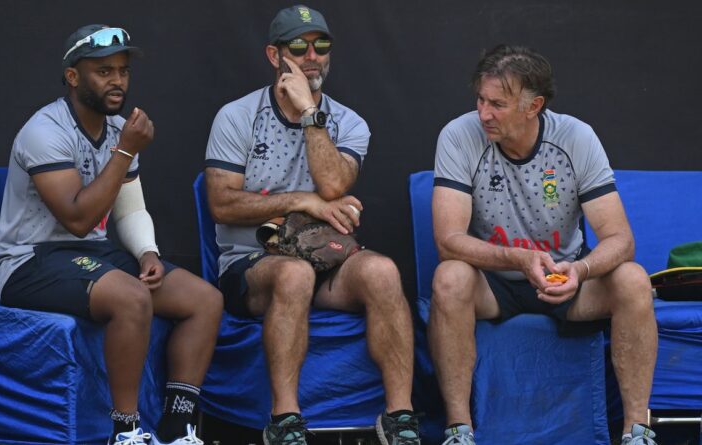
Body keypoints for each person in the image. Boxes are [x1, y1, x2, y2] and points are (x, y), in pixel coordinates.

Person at [0, 24, 222, 445]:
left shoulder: (118, 129)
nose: (117, 80)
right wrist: (126, 150)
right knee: (131, 298)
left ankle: (177, 427)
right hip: (30, 261)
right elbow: (78, 219)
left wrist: (148, 252)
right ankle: (126, 430)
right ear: (73, 76)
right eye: (103, 71)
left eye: (122, 70)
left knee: (204, 300)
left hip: (90, 254)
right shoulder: (45, 131)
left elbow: (129, 208)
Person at [203, 5, 421, 445]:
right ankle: (284, 419)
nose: (312, 56)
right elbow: (221, 204)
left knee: (383, 271)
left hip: (326, 258)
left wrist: (309, 112)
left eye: (321, 46)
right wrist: (303, 201)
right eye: (298, 47)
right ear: (274, 55)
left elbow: (334, 183)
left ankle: (400, 417)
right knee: (294, 274)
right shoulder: (237, 116)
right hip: (252, 262)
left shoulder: (349, 122)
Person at [429, 44, 658, 445]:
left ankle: (637, 431)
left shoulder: (576, 137)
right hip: (495, 282)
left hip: (564, 276)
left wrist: (581, 270)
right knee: (449, 277)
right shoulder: (458, 135)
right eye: (480, 100)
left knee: (634, 279)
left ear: (533, 106)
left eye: (497, 104)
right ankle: (459, 431)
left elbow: (621, 240)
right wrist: (517, 259)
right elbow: (448, 241)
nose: (483, 114)